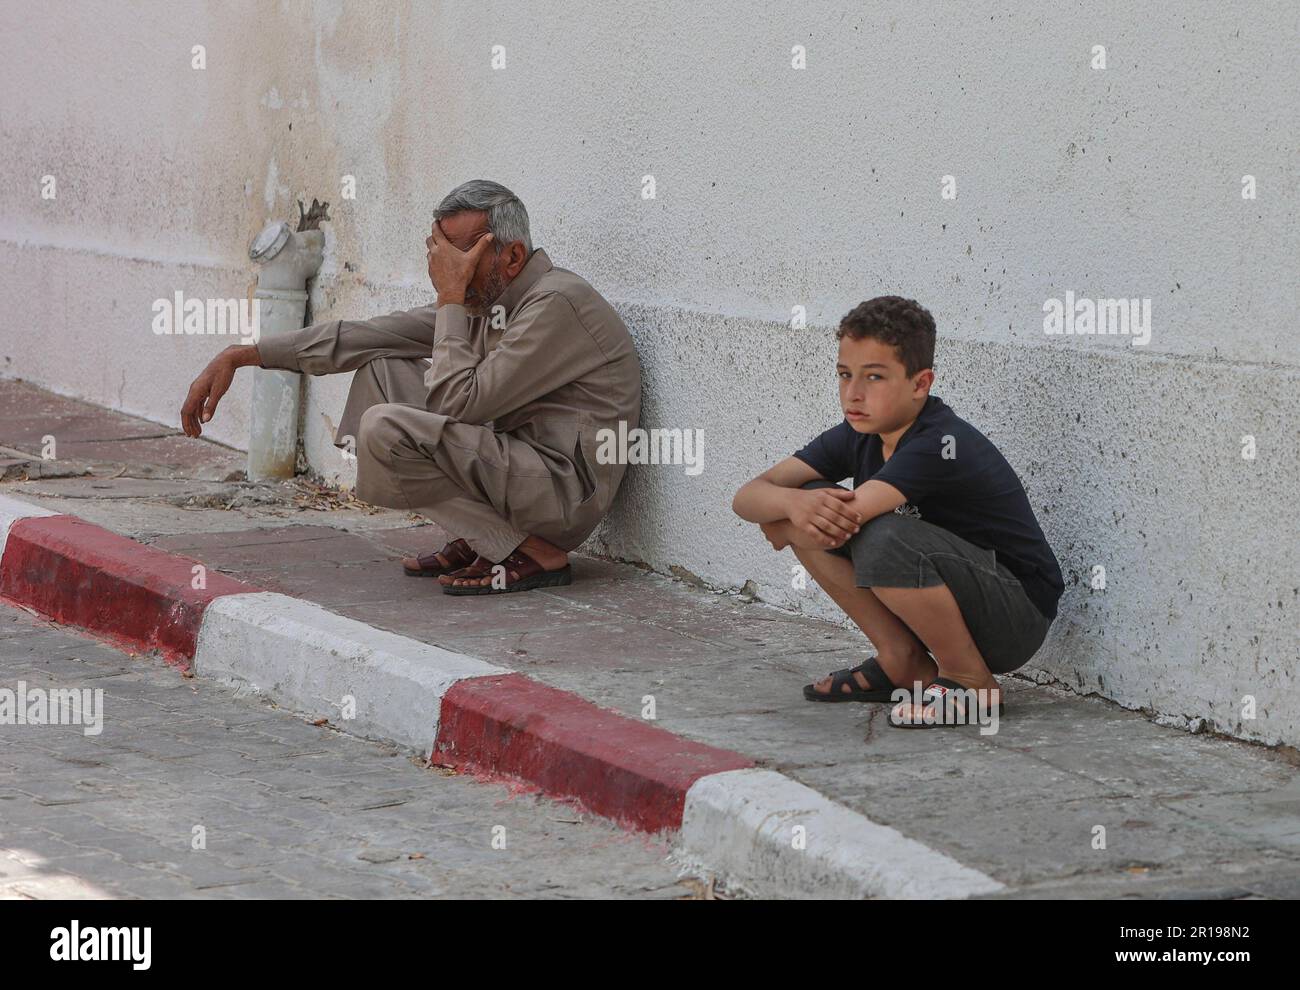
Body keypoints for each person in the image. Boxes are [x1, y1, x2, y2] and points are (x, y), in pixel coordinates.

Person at [180, 179, 642, 594]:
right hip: (515, 467)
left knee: (386, 426)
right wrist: (243, 355)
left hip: (561, 494)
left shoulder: (554, 303)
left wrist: (450, 299)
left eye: (461, 259)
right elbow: (365, 336)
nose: (444, 272)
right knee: (381, 369)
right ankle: (478, 534)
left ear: (513, 255)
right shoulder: (488, 302)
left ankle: (529, 548)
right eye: (440, 258)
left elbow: (461, 404)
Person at [731, 296, 1063, 727]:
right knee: (801, 504)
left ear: (920, 384)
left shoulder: (937, 443)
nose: (854, 394)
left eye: (874, 377)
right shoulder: (859, 433)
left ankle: (969, 679)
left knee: (878, 535)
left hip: (1014, 614)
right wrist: (791, 505)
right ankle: (902, 662)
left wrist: (790, 515)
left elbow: (851, 517)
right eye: (845, 375)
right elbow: (747, 497)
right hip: (959, 602)